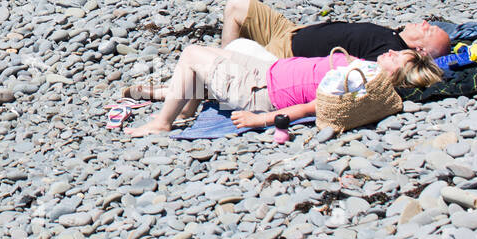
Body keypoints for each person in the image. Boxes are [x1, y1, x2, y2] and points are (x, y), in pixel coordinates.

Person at [123, 43, 442, 136]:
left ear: (399, 74)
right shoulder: (368, 72)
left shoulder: (362, 82)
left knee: (192, 54)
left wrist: (262, 120)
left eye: (397, 58)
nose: (390, 52)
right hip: (268, 72)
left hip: (261, 89)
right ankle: (186, 105)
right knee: (214, 51)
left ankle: (161, 123)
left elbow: (314, 107)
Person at [217, 0, 453, 61]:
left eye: (428, 30)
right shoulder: (392, 36)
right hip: (289, 30)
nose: (424, 23)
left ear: (420, 51)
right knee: (237, 4)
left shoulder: (390, 51)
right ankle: (225, 62)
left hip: (286, 55)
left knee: (210, 56)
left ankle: (222, 69)